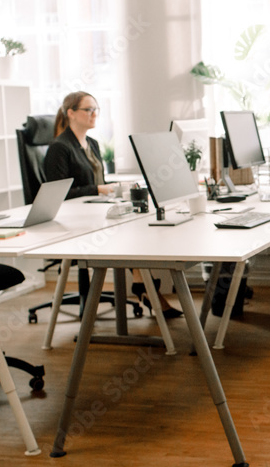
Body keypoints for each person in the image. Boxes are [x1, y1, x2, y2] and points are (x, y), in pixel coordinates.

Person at [44, 91, 181, 318]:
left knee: (136, 230)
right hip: (75, 222)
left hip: (98, 212)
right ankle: (145, 288)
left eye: (96, 109)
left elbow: (98, 183)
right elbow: (59, 193)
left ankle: (143, 286)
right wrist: (99, 189)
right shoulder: (60, 148)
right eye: (88, 109)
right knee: (128, 235)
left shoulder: (92, 144)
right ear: (71, 113)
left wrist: (115, 186)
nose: (94, 114)